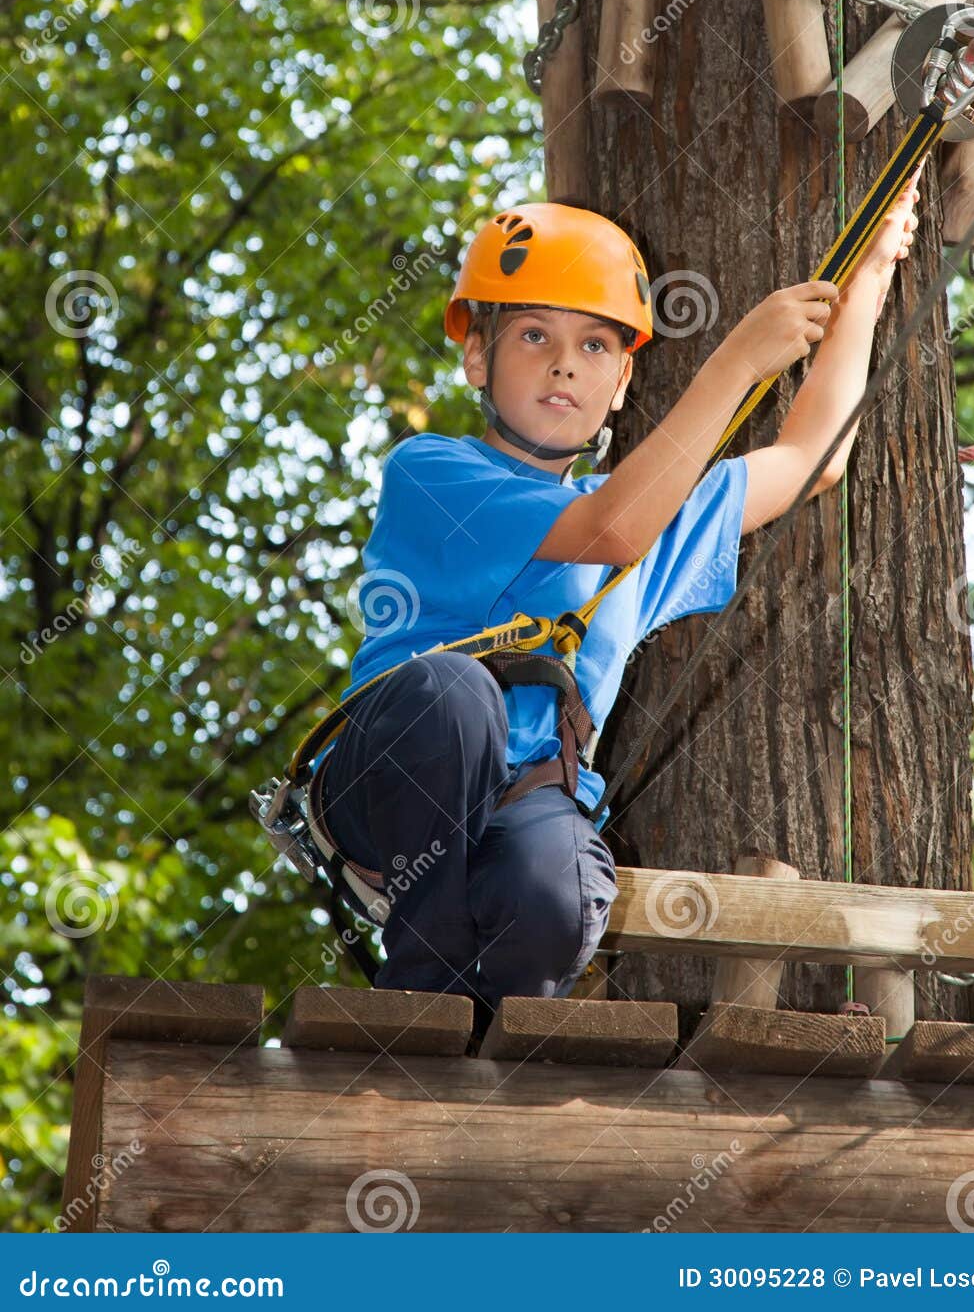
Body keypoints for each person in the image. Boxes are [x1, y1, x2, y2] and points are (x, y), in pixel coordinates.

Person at [315, 178, 921, 1024]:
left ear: (624, 382)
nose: (566, 362)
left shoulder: (649, 513)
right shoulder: (435, 471)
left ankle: (491, 1034)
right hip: (395, 779)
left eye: (597, 346)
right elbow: (609, 530)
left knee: (556, 884)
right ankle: (417, 997)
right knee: (453, 693)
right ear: (478, 359)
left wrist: (872, 280)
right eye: (535, 335)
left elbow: (810, 457)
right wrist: (736, 364)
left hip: (520, 809)